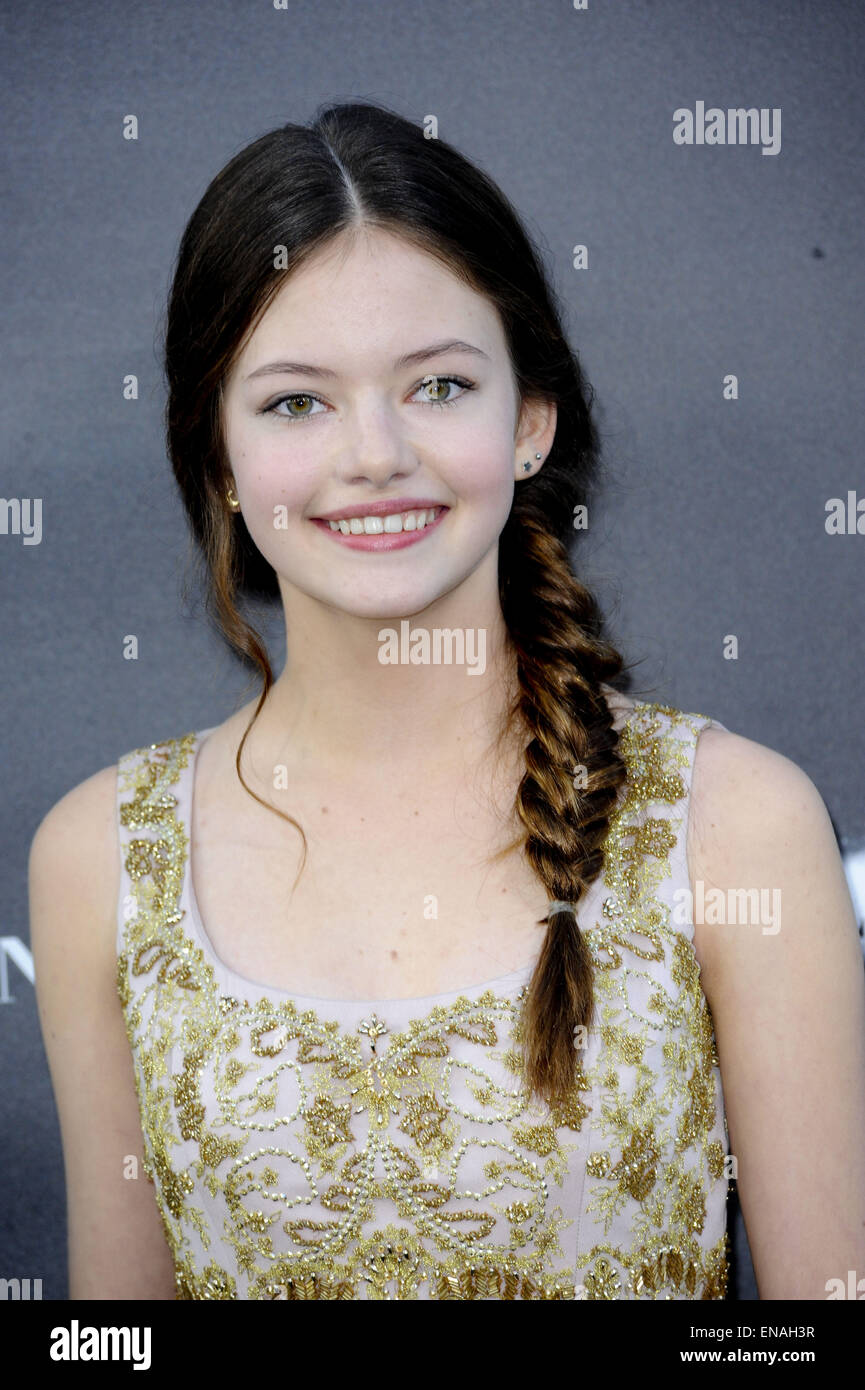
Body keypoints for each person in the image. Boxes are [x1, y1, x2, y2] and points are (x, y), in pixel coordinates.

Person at [29, 100, 865, 1301]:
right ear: (217, 455)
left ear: (529, 419)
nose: (374, 452)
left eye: (436, 385)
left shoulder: (735, 824)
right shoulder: (98, 857)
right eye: (295, 402)